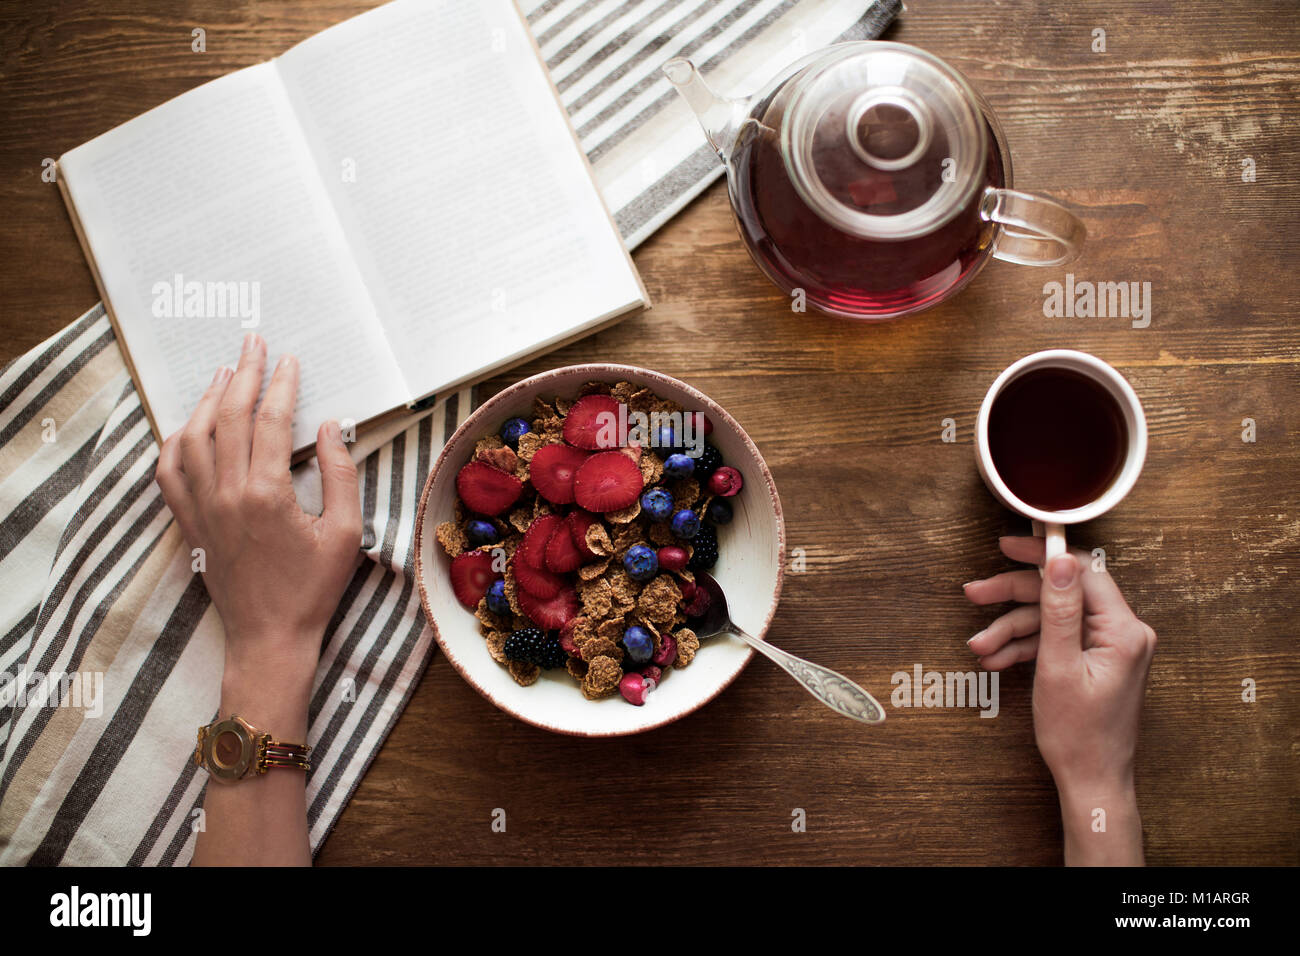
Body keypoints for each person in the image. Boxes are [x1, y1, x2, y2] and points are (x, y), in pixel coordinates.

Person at [156, 334, 1157, 866]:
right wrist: (1096, 782)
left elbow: (642, 560)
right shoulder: (615, 542)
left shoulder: (655, 562)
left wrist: (271, 641)